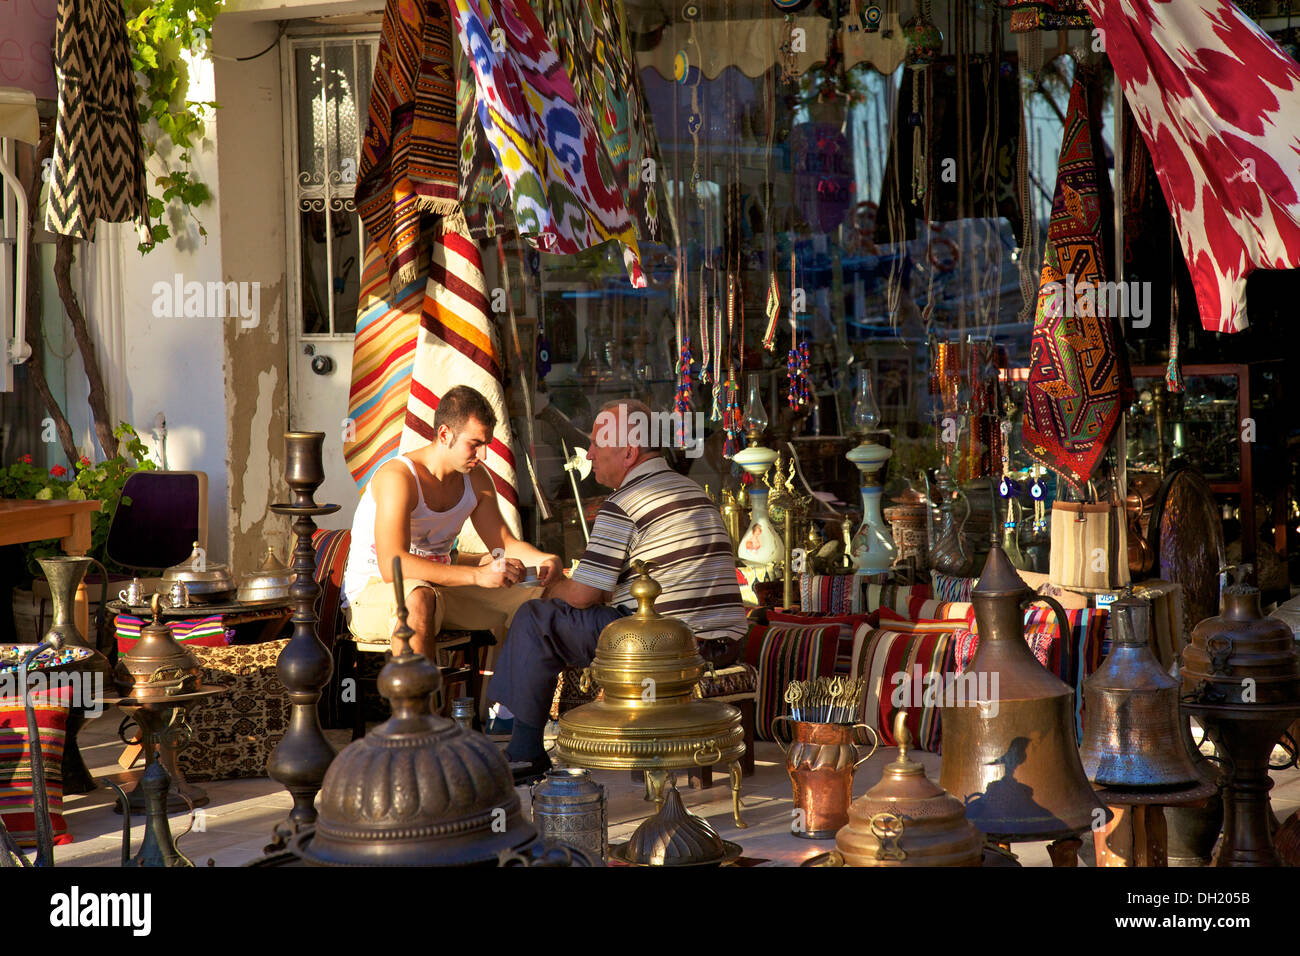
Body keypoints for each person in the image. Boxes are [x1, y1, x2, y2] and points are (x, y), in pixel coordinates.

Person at [491, 398, 747, 783]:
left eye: (597, 444)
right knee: (556, 618)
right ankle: (515, 728)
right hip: (722, 642)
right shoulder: (693, 491)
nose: (589, 453)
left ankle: (523, 751)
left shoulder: (625, 501)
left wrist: (551, 584)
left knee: (536, 619)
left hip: (663, 647)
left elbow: (582, 596)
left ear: (629, 453)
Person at [343, 385, 561, 719]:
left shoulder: (476, 477)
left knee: (536, 596)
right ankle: (419, 728)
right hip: (375, 593)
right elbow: (392, 565)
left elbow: (503, 543)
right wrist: (477, 574)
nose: (484, 454)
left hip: (440, 589)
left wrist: (546, 560)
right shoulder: (398, 476)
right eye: (475, 444)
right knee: (417, 597)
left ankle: (507, 713)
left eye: (487, 443)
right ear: (444, 434)